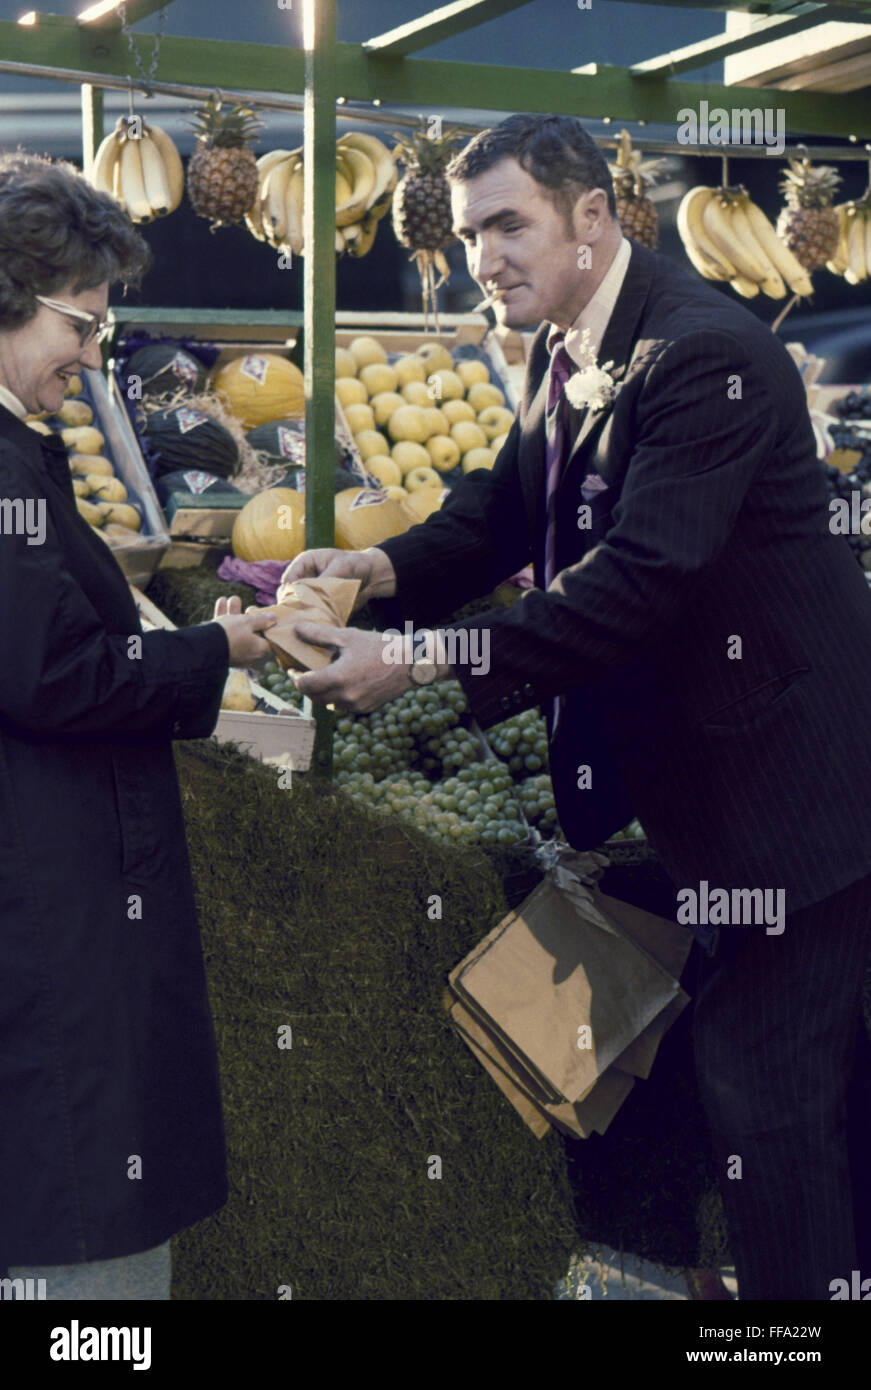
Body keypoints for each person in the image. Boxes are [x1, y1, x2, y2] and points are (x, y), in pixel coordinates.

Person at [283, 114, 871, 1301]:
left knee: (764, 1087)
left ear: (592, 217)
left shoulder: (703, 353)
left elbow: (636, 584)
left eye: (509, 224)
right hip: (709, 788)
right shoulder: (569, 345)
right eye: (469, 233)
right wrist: (367, 574)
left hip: (794, 798)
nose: (484, 255)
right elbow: (498, 517)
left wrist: (416, 660)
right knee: (780, 1080)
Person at [0, 153, 275, 1300]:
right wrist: (225, 649)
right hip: (46, 912)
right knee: (82, 1242)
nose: (94, 350)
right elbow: (52, 672)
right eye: (84, 319)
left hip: (54, 896)